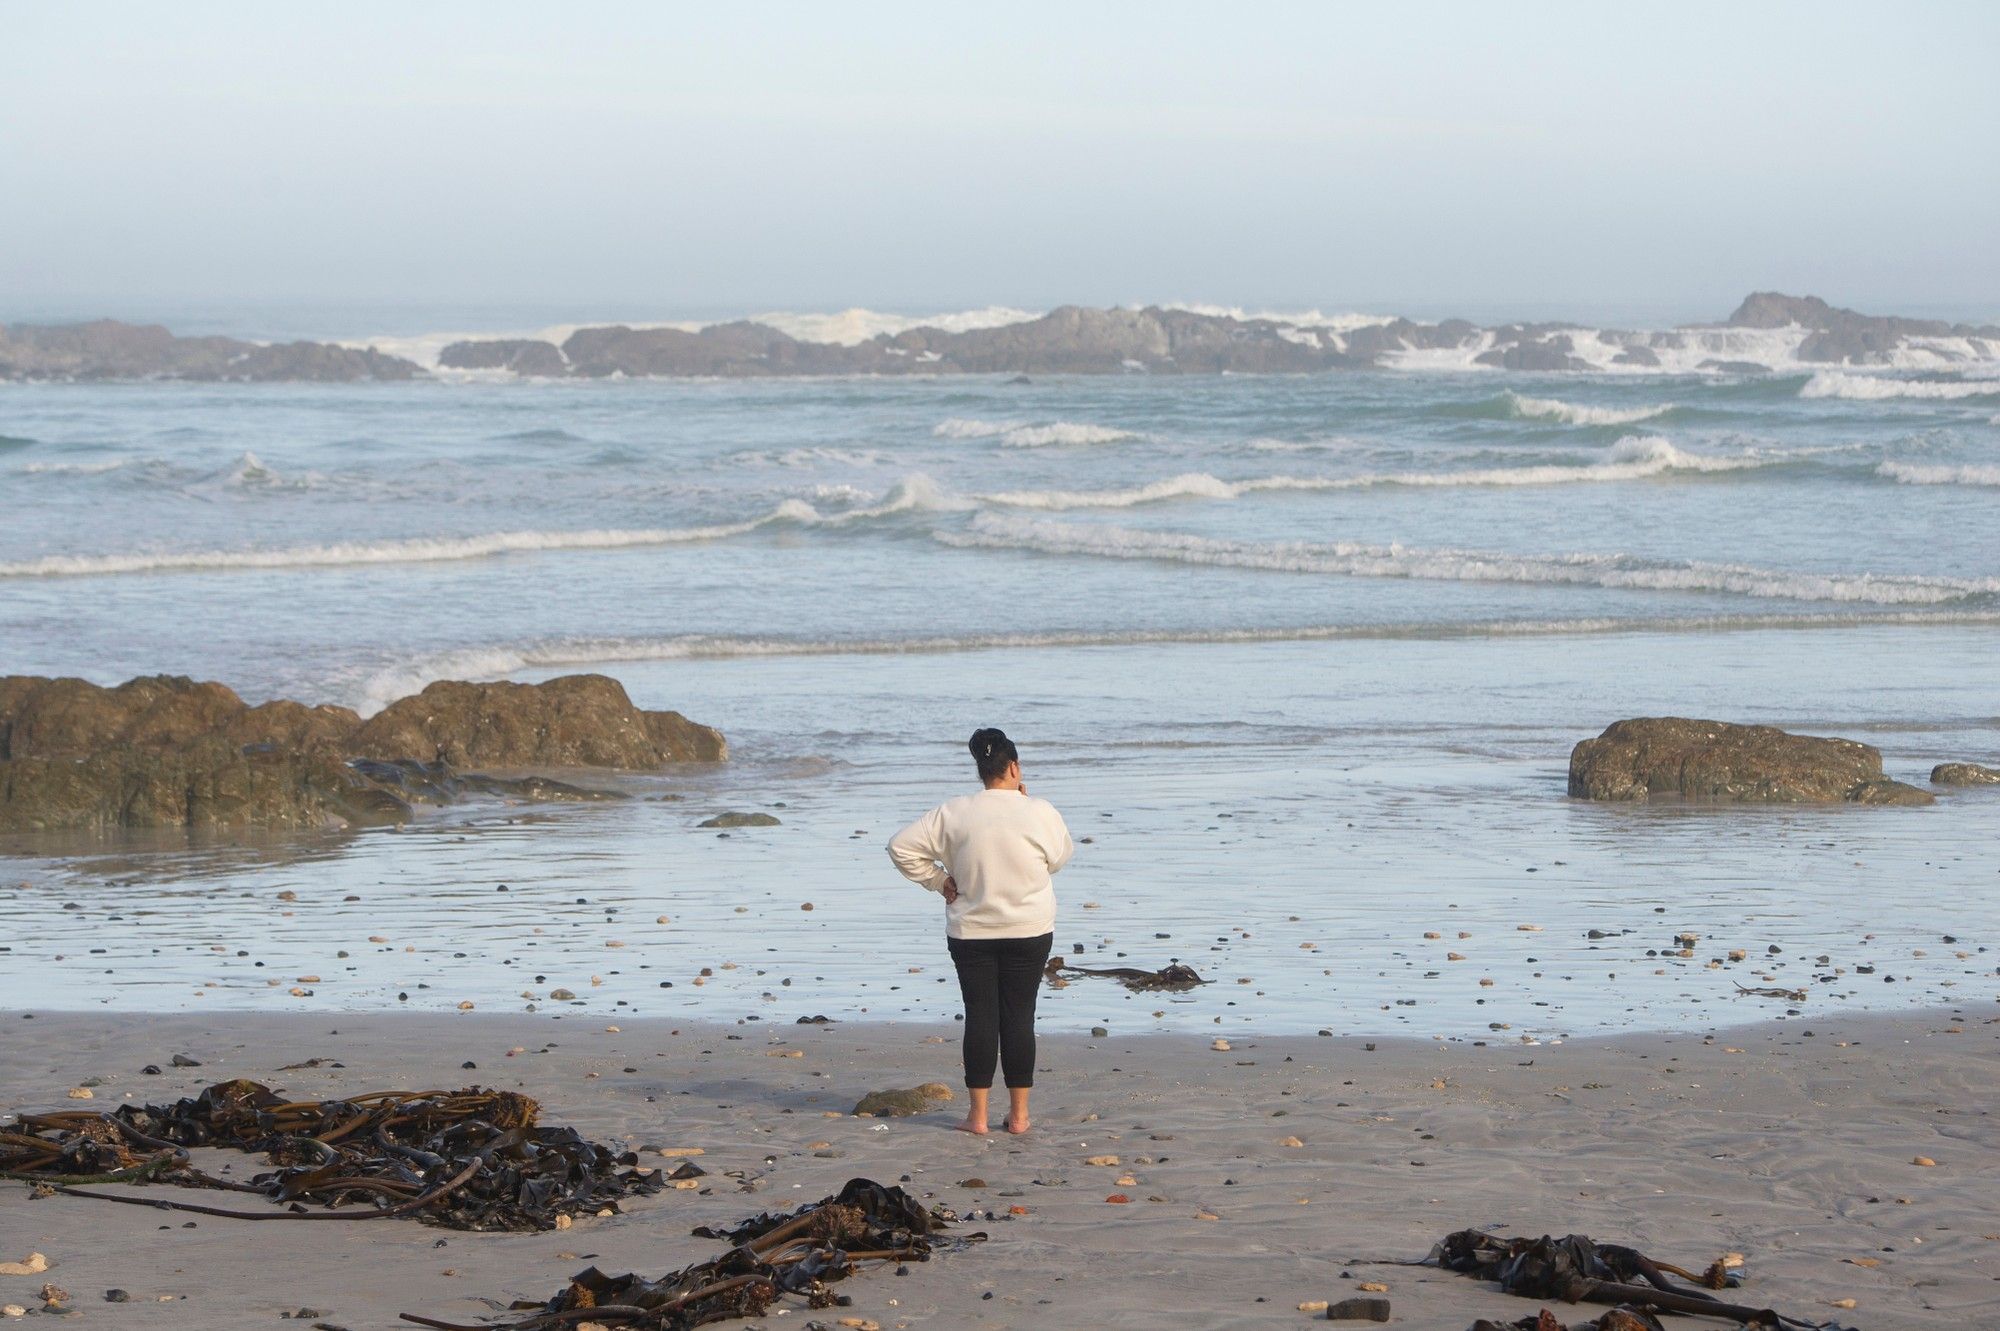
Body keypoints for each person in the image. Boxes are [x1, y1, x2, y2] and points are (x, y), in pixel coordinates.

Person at [887, 727, 1075, 1135]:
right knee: (1019, 1018)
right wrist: (1025, 808)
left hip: (971, 930)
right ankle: (1020, 1116)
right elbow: (1059, 858)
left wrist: (938, 881)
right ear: (1013, 767)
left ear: (981, 770)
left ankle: (978, 1117)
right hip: (1029, 927)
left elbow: (900, 846)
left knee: (981, 1017)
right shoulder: (1040, 810)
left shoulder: (954, 811)